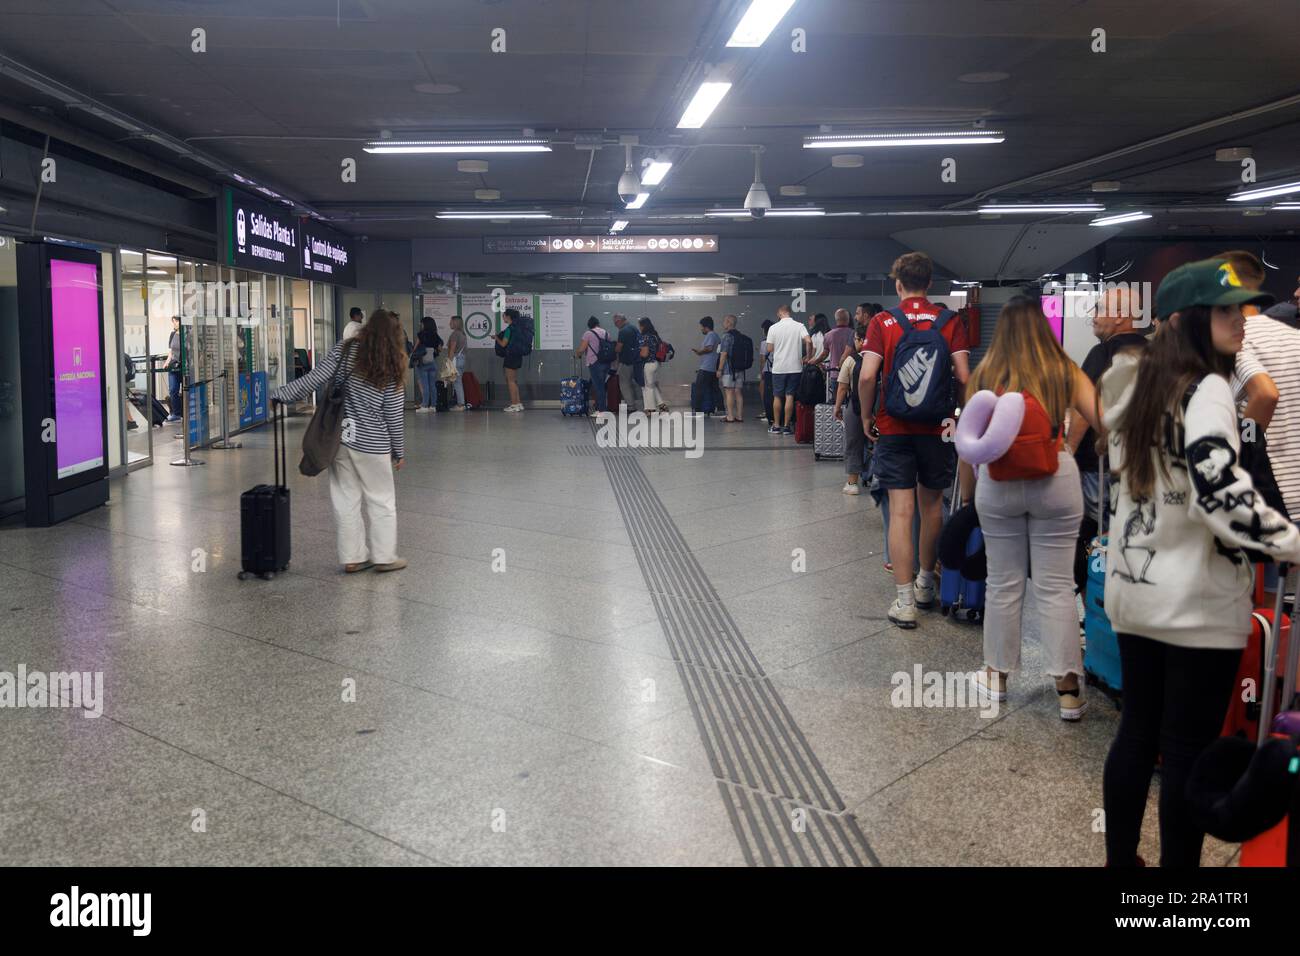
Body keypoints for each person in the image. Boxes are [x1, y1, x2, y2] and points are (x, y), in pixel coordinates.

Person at [1098, 258, 1300, 867]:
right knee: (1186, 748)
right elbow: (1220, 493)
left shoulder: (1129, 385)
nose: (1240, 321)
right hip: (1196, 604)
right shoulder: (1211, 389)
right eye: (1224, 310)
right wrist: (1290, 539)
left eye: (1241, 309)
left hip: (1135, 593)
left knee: (1136, 733)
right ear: (1188, 320)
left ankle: (1121, 863)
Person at [964, 297, 1102, 719]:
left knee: (1002, 583)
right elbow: (1104, 419)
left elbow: (968, 443)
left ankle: (997, 676)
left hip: (998, 483)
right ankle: (1068, 691)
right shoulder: (1063, 369)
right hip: (1055, 476)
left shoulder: (986, 373)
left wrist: (971, 498)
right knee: (1056, 585)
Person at [857, 252, 971, 628]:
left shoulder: (883, 321)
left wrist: (866, 415)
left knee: (902, 512)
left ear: (898, 283)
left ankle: (904, 601)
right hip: (938, 429)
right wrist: (959, 420)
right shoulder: (949, 321)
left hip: (894, 427)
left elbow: (867, 376)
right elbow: (965, 378)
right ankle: (926, 584)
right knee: (934, 506)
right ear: (930, 283)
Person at [272, 308, 408, 575]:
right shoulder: (394, 362)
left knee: (346, 499)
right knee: (380, 500)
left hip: (341, 439)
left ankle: (353, 558)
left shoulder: (344, 351)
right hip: (373, 444)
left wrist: (280, 394)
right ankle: (383, 557)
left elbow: (313, 379)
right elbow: (393, 415)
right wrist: (399, 451)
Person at [1066, 286, 1149, 600]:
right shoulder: (1153, 352)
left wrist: (1069, 451)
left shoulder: (1102, 354)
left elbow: (1085, 409)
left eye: (1100, 310)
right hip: (1142, 465)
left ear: (1121, 317)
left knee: (1096, 536)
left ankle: (1096, 610)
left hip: (1099, 465)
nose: (1093, 317)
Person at [833, 322, 869, 494]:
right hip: (877, 411)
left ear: (860, 340)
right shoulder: (881, 359)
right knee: (877, 443)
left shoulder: (851, 360)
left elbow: (842, 388)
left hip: (855, 409)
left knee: (853, 443)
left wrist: (837, 407)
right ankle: (877, 478)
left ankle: (852, 483)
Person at [766, 305, 810, 435]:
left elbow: (769, 348)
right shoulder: (799, 326)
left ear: (780, 313)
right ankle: (786, 427)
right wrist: (808, 356)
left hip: (779, 368)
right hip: (795, 367)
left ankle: (776, 425)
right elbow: (808, 340)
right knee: (790, 396)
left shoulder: (773, 328)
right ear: (789, 313)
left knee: (777, 396)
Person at [576, 316, 612, 416]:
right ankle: (602, 408)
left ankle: (602, 411)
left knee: (598, 387)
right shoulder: (606, 333)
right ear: (598, 323)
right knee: (602, 386)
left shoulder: (588, 333)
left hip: (595, 363)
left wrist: (578, 354)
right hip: (606, 363)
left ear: (589, 325)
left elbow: (582, 349)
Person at [492, 307, 525, 412]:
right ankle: (518, 403)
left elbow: (503, 344)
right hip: (517, 356)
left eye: (504, 315)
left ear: (508, 317)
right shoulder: (518, 328)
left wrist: (496, 338)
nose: (503, 317)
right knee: (514, 380)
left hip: (510, 357)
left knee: (510, 381)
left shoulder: (509, 329)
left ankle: (514, 404)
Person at [691, 316, 725, 415]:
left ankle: (697, 410)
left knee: (699, 388)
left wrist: (699, 351)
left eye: (701, 327)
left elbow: (709, 348)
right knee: (715, 389)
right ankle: (721, 409)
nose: (701, 329)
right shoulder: (716, 336)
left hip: (706, 367)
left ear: (706, 327)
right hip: (713, 367)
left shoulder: (710, 335)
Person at [412, 317, 443, 414]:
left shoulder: (421, 335)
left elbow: (415, 348)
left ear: (424, 324)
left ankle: (425, 405)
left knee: (425, 385)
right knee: (432, 385)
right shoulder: (436, 336)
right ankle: (433, 406)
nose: (420, 325)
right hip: (432, 363)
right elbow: (440, 348)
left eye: (421, 323)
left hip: (423, 363)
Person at [717, 314, 744, 423]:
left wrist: (719, 369)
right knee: (738, 392)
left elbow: (724, 354)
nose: (723, 323)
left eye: (724, 321)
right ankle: (740, 416)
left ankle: (730, 416)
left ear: (729, 323)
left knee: (729, 392)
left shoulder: (726, 336)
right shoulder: (740, 336)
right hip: (740, 368)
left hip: (729, 369)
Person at [636, 317, 667, 412]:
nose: (639, 328)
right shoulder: (655, 336)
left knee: (647, 387)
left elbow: (644, 353)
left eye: (640, 326)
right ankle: (661, 404)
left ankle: (650, 409)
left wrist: (637, 352)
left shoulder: (645, 337)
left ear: (643, 326)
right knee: (651, 385)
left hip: (648, 364)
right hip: (656, 363)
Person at [612, 314, 641, 412]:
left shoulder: (623, 331)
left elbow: (619, 348)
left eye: (615, 323)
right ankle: (642, 404)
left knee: (624, 384)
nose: (616, 325)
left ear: (619, 321)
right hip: (636, 361)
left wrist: (614, 350)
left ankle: (631, 406)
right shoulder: (634, 328)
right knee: (635, 383)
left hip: (626, 361)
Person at [824, 309, 854, 383]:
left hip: (835, 372)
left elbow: (824, 354)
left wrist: (815, 361)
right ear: (848, 319)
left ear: (836, 319)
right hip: (851, 372)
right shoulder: (854, 334)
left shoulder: (828, 335)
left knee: (835, 394)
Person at [446, 315, 468, 410]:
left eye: (451, 322)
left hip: (456, 359)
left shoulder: (455, 334)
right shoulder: (463, 334)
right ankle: (461, 403)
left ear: (455, 323)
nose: (449, 323)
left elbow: (452, 349)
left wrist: (449, 362)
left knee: (457, 383)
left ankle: (460, 404)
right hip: (462, 359)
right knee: (458, 381)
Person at [165, 315, 183, 422]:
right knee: (173, 390)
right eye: (173, 321)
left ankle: (186, 411)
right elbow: (171, 351)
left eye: (176, 321)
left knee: (186, 389)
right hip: (173, 365)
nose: (174, 323)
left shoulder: (187, 334)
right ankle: (176, 413)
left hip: (183, 366)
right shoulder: (172, 334)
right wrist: (167, 362)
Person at [758, 319, 774, 422]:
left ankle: (769, 415)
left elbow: (762, 360)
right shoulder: (778, 340)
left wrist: (761, 373)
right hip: (779, 370)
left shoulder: (764, 342)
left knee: (767, 394)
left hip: (768, 370)